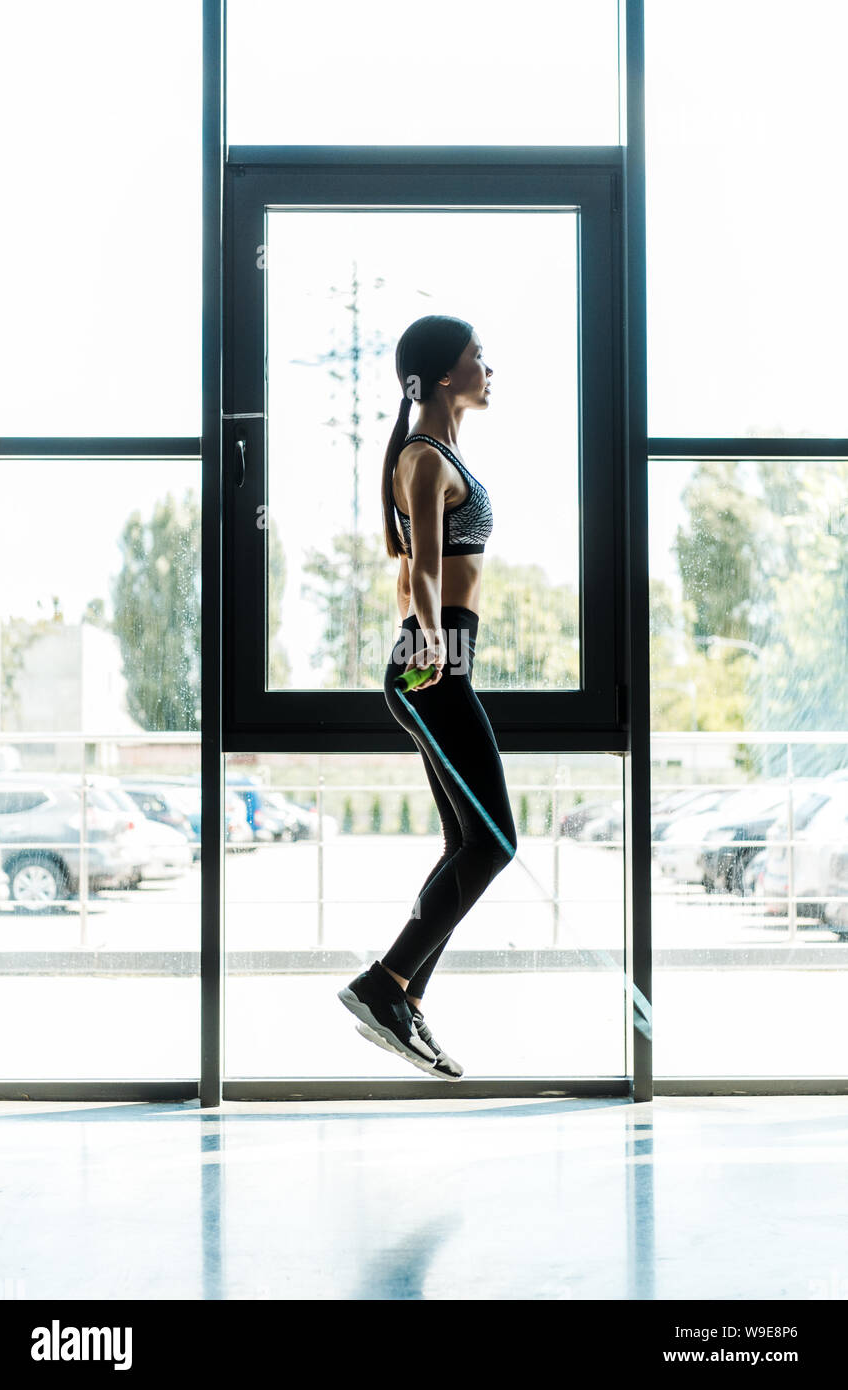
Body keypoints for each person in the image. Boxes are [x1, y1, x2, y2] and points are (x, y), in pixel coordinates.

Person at [337, 314, 517, 1080]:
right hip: (426, 662)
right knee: (496, 841)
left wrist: (444, 643)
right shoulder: (421, 455)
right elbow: (418, 569)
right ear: (446, 373)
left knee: (467, 844)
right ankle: (384, 985)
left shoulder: (445, 455)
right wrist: (432, 637)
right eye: (477, 356)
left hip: (444, 658)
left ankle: (400, 997)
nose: (488, 366)